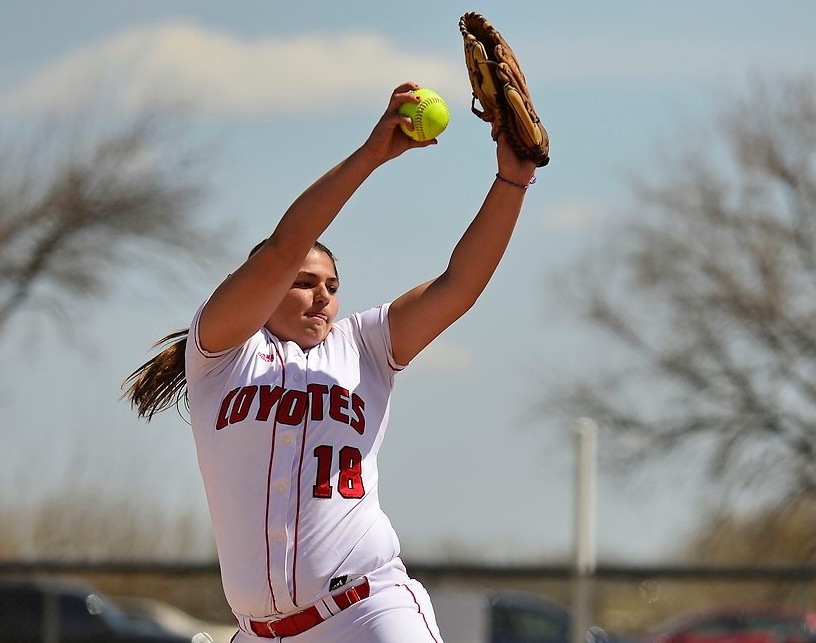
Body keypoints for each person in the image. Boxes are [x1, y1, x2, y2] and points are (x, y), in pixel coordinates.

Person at [124, 81, 539, 642]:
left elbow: (458, 284)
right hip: (260, 633)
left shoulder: (363, 347)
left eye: (333, 286)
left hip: (365, 613)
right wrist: (370, 156)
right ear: (263, 285)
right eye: (304, 282)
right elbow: (284, 247)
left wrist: (513, 180)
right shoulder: (220, 354)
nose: (323, 295)